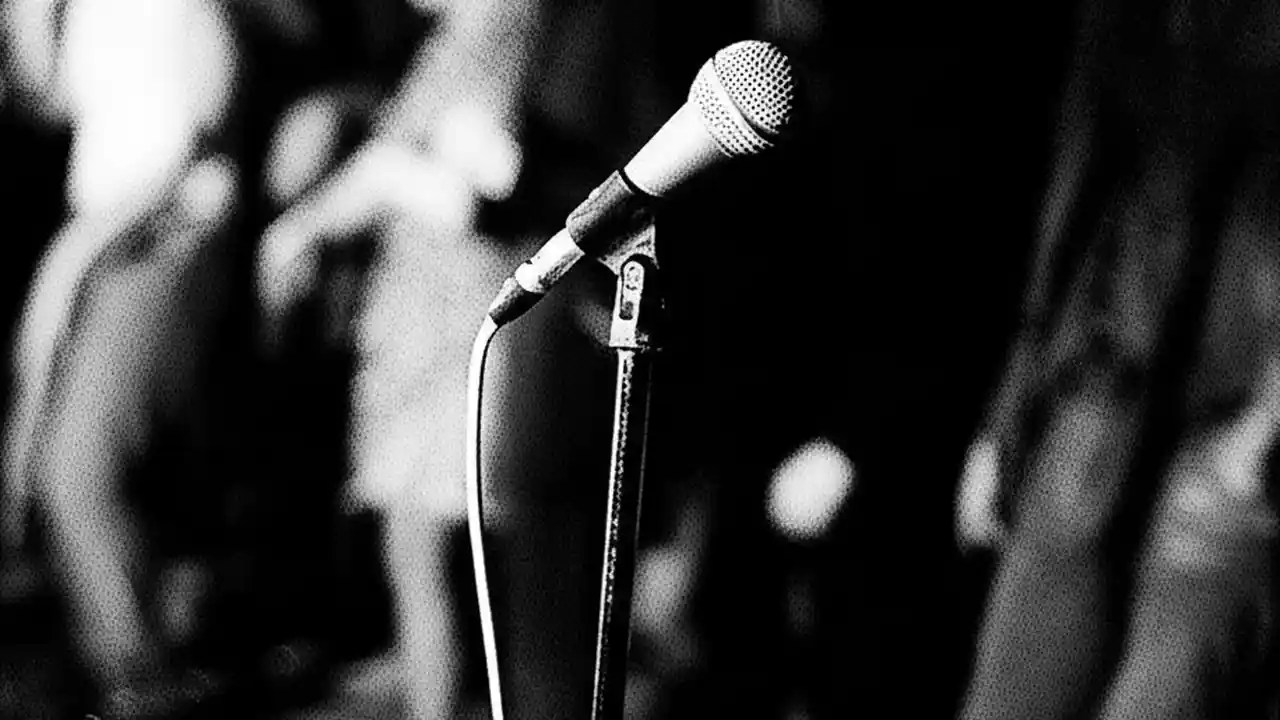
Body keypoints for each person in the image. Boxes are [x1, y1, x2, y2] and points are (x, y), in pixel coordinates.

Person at [957, 1, 1280, 717]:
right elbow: (1077, 189)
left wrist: (1265, 430)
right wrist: (1006, 420)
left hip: (1231, 444)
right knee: (1016, 693)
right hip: (1103, 395)